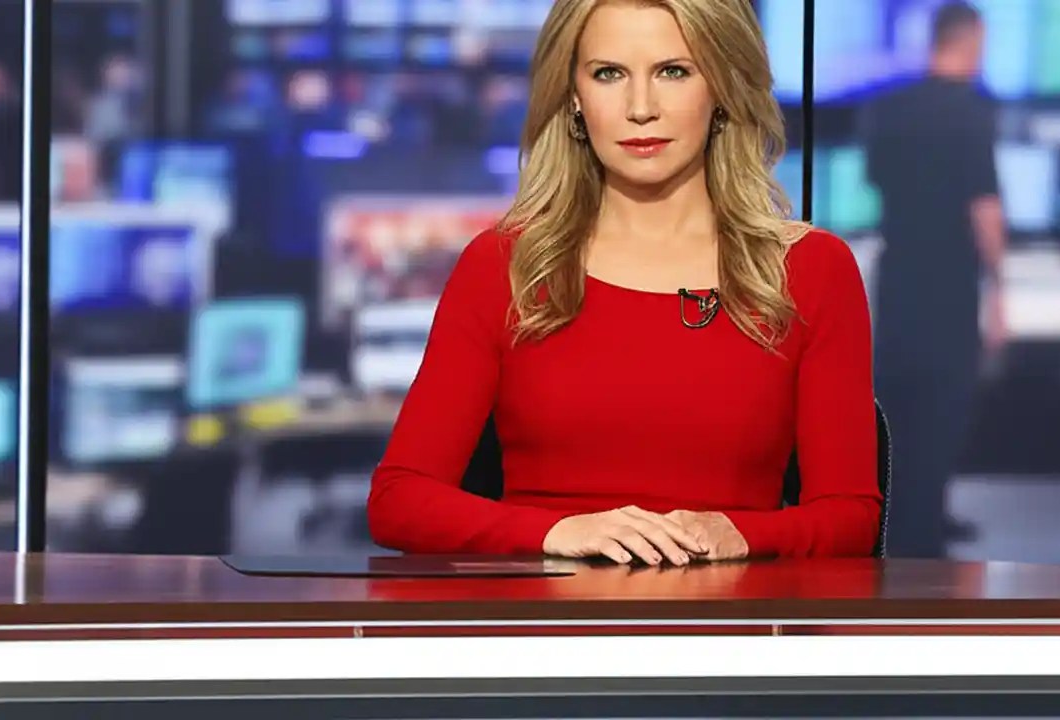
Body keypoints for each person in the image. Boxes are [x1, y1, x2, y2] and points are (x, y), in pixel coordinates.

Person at [367, 0, 881, 565]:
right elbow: (400, 499)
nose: (641, 108)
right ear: (574, 98)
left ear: (722, 90)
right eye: (609, 74)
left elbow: (849, 517)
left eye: (674, 71)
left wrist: (741, 534)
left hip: (725, 630)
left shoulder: (811, 270)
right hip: (544, 630)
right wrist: (558, 532)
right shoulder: (506, 265)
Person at [860, 1, 1007, 559]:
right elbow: (984, 207)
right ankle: (924, 533)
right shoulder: (972, 111)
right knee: (944, 406)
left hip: (898, 278)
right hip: (950, 282)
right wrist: (1002, 291)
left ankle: (903, 521)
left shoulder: (888, 109)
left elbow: (877, 182)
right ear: (971, 40)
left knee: (896, 405)